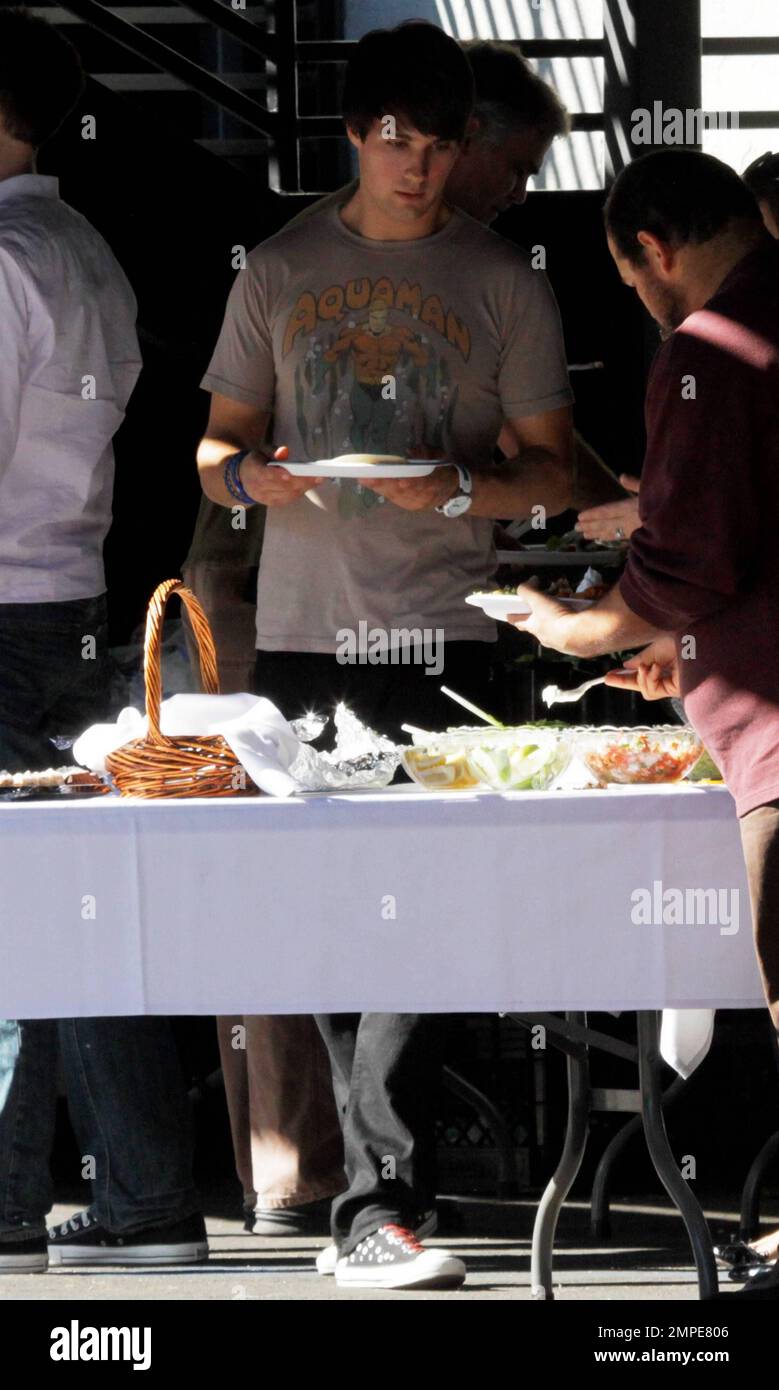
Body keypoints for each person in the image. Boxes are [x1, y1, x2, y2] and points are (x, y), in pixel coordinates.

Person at [196, 19, 574, 1289]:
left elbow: (551, 472)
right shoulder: (280, 266)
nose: (419, 167)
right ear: (356, 133)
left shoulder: (502, 278)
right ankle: (372, 1198)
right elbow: (215, 450)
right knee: (328, 917)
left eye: (442, 145)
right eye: (398, 140)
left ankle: (379, 1200)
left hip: (445, 634)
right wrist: (253, 479)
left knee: (431, 916)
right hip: (303, 635)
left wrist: (458, 489)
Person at [505, 148, 779, 1296]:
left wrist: (583, 627)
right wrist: (687, 641)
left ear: (654, 250)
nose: (641, 302)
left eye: (630, 282)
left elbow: (693, 554)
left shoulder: (705, 349)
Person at [0, 8, 205, 1273]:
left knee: (36, 910)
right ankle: (134, 1190)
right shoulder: (83, 248)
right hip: (70, 596)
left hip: (10, 612)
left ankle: (108, 1191)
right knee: (64, 905)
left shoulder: (6, 258)